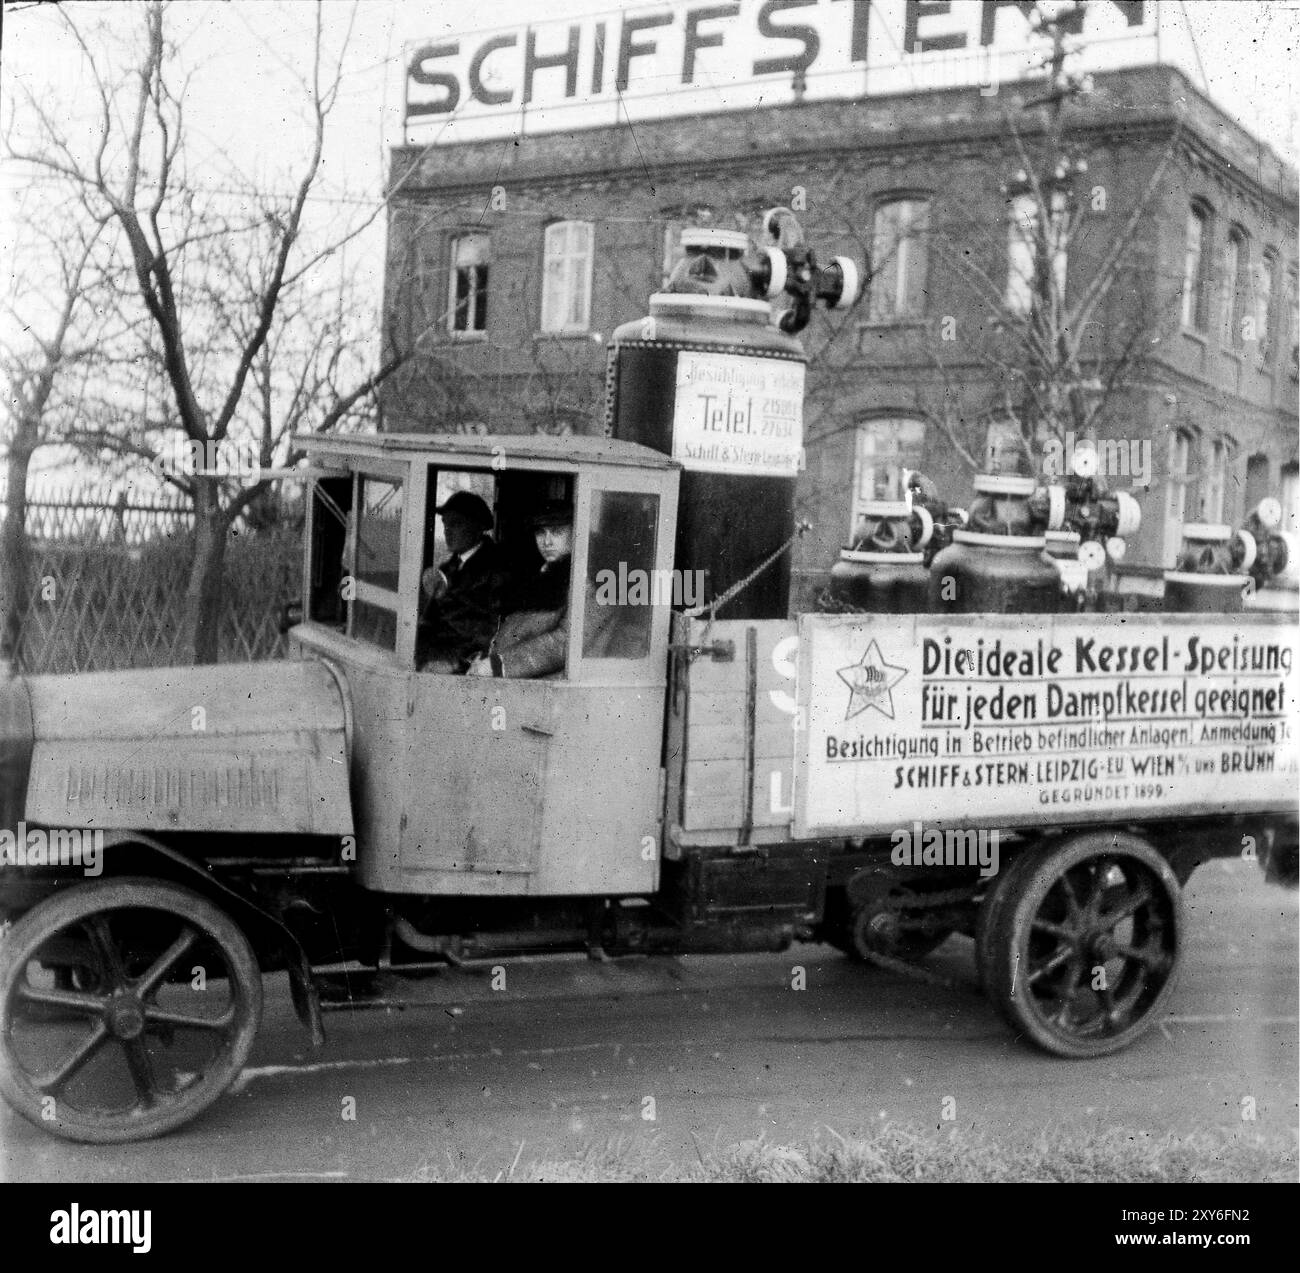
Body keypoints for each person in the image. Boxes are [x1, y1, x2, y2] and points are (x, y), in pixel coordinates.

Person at [467, 501, 614, 679]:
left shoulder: (592, 581)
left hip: (554, 687)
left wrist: (498, 665)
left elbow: (565, 642)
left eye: (557, 532)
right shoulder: (544, 574)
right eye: (540, 532)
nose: (546, 541)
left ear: (577, 534)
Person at [418, 491, 502, 673]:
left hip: (466, 663)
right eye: (445, 523)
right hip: (436, 654)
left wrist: (453, 661)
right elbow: (430, 618)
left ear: (477, 527)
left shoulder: (497, 568)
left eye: (456, 523)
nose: (447, 530)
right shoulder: (448, 568)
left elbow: (493, 630)